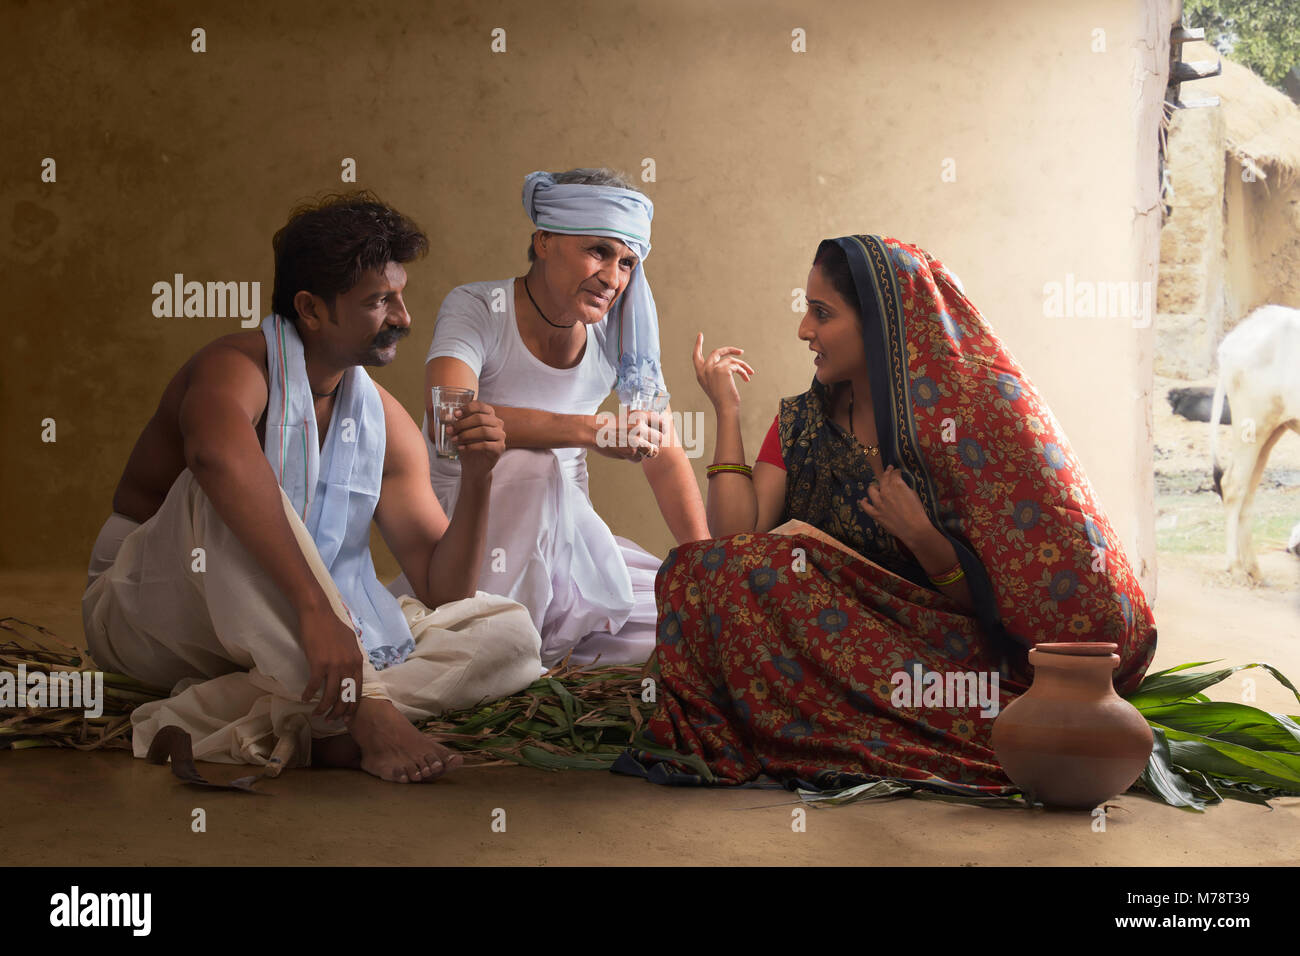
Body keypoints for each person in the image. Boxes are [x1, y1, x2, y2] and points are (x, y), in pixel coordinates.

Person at [617, 234, 1158, 795]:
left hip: (946, 652)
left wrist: (922, 537)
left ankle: (829, 725)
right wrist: (725, 411)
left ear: (878, 324)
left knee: (759, 573)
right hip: (840, 634)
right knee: (698, 570)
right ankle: (810, 722)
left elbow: (1009, 607)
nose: (804, 330)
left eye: (821, 313)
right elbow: (731, 540)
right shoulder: (804, 421)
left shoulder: (970, 422)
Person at [81, 192, 543, 784]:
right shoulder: (235, 366)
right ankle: (368, 715)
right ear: (312, 308)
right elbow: (213, 458)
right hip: (151, 613)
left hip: (278, 632)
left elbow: (444, 587)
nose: (403, 316)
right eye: (380, 300)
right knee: (220, 487)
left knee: (508, 633)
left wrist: (479, 478)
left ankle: (287, 721)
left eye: (400, 296)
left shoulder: (381, 416)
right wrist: (317, 611)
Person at [394, 168, 710, 669]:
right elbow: (445, 419)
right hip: (473, 535)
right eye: (599, 251)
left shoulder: (617, 329)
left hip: (568, 536)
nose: (613, 278)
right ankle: (498, 641)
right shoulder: (479, 306)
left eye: (627, 261)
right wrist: (591, 430)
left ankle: (538, 642)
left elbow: (660, 448)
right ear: (543, 241)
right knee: (532, 465)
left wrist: (705, 564)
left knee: (692, 624)